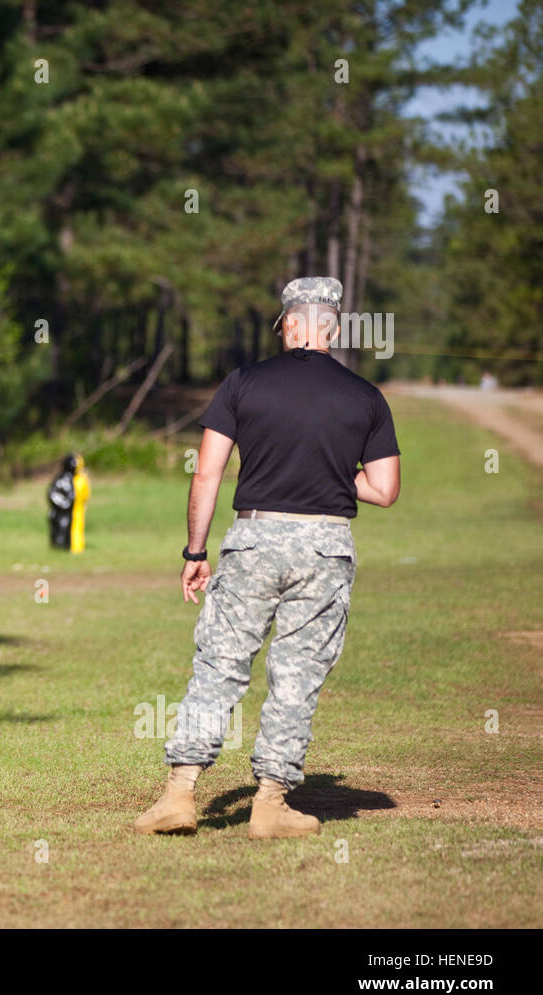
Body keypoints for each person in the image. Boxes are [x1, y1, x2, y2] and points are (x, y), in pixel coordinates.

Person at [134, 277, 400, 839]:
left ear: (292, 325)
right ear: (330, 328)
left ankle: (179, 795)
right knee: (296, 676)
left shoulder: (243, 383)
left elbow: (206, 474)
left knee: (220, 665)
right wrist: (329, 473)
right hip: (325, 546)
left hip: (252, 541)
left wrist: (195, 551)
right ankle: (272, 803)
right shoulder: (365, 396)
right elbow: (385, 488)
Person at [47, 454, 76, 548]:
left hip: (66, 514)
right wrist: (65, 505)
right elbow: (52, 494)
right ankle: (59, 548)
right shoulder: (62, 480)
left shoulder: (69, 478)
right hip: (60, 514)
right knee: (60, 534)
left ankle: (64, 547)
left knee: (66, 532)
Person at [69, 453, 90, 553]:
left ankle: (77, 547)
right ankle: (76, 546)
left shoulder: (77, 479)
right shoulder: (81, 478)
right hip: (76, 506)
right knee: (76, 526)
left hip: (77, 506)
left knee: (77, 527)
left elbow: (85, 495)